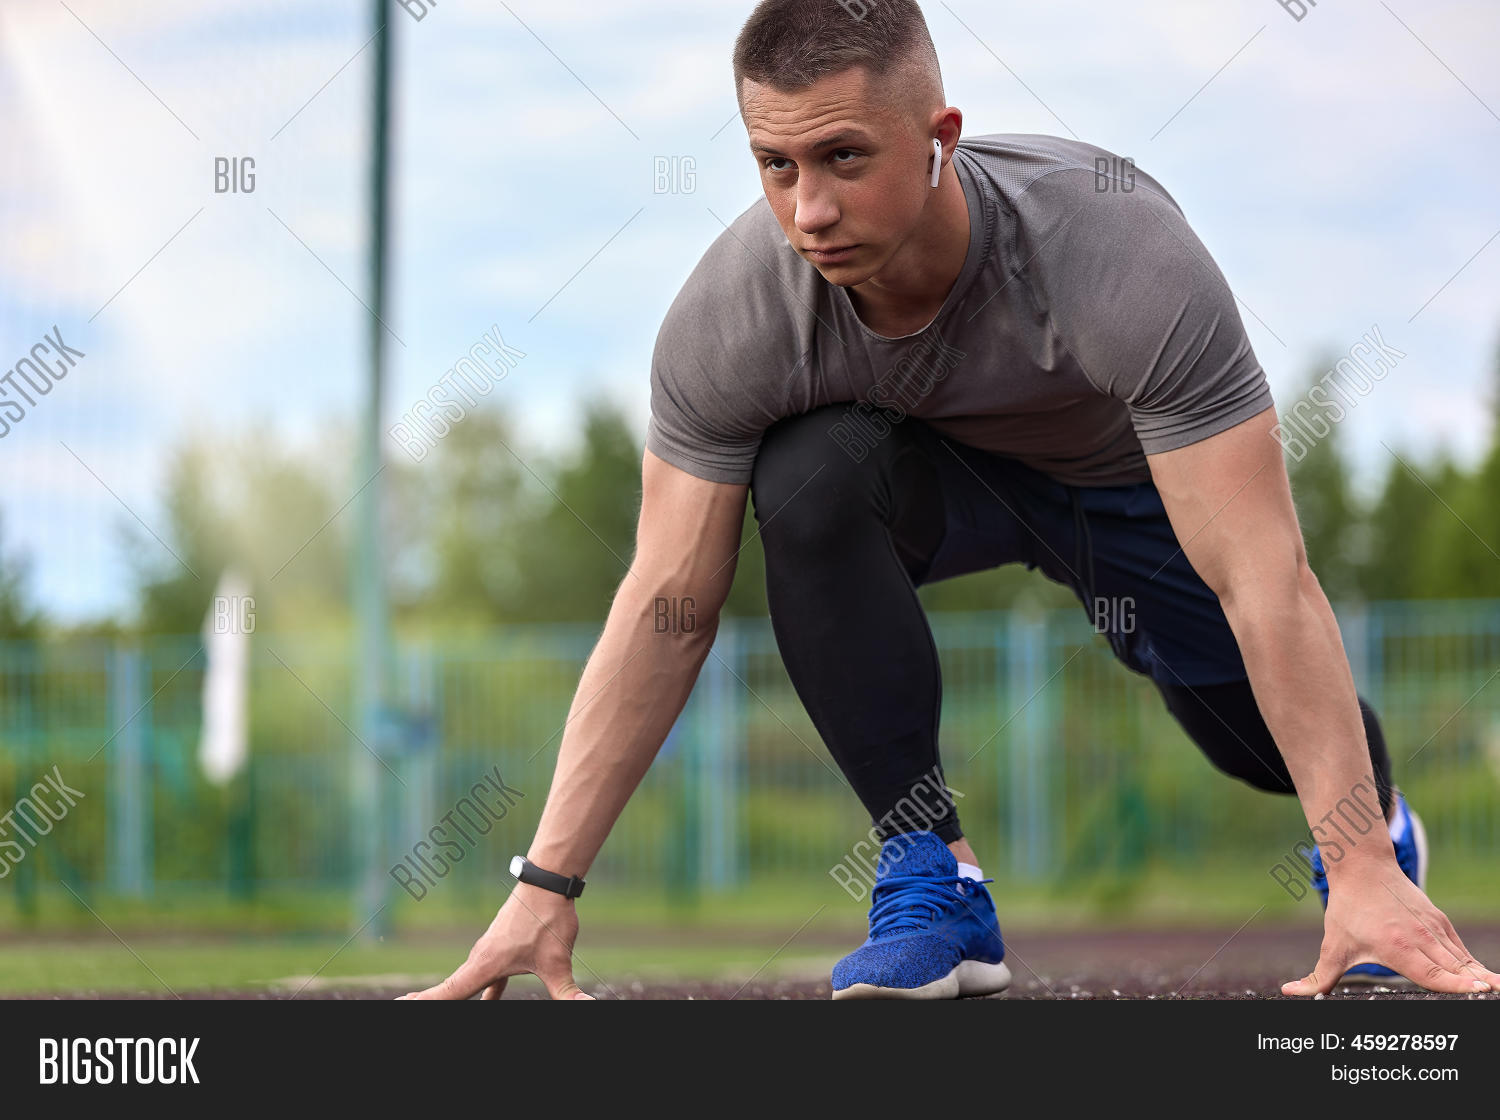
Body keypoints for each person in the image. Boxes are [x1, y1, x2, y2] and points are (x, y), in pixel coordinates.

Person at [402, 0, 1499, 1000]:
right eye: (774, 166)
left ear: (941, 137)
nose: (810, 210)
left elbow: (1264, 571)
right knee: (807, 478)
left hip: (1127, 494)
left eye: (843, 158)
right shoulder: (733, 320)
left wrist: (1353, 855)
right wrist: (548, 879)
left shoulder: (1119, 254)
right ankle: (935, 874)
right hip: (942, 489)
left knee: (1242, 739)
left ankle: (1375, 841)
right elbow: (667, 605)